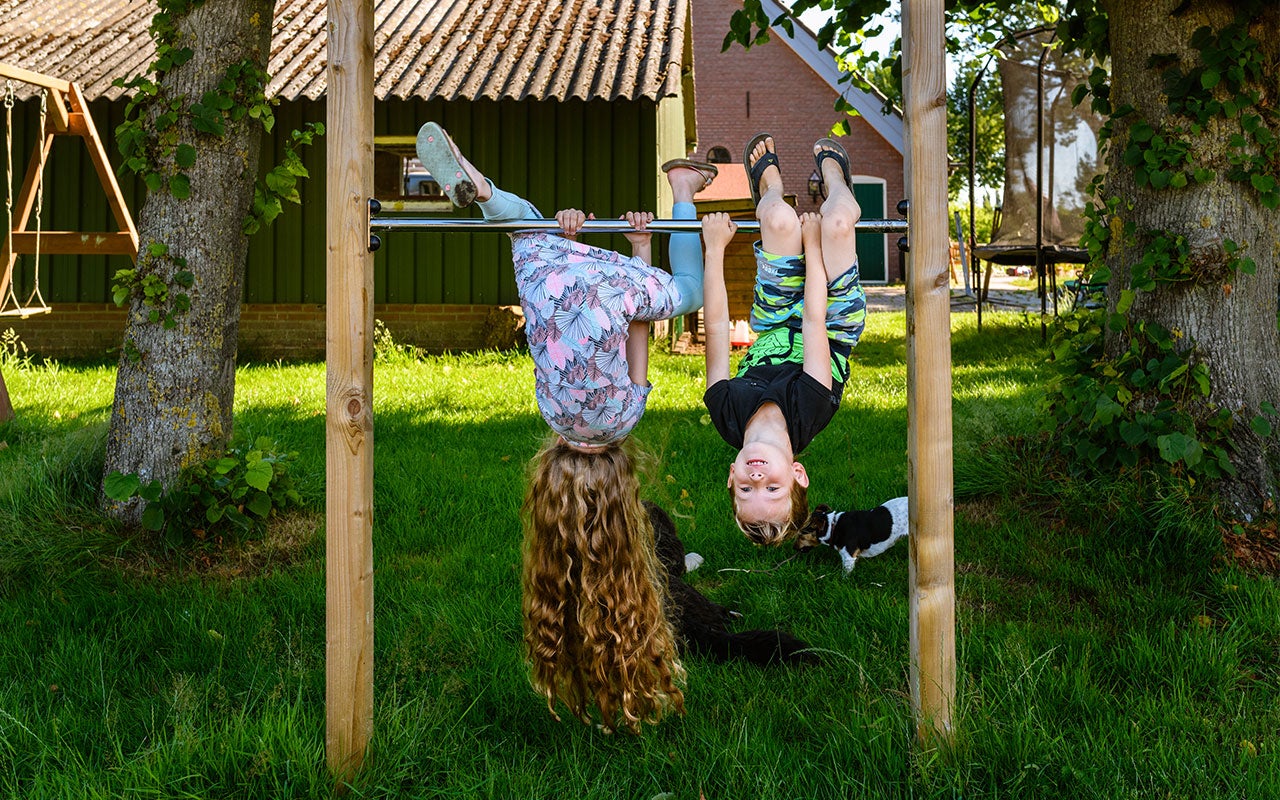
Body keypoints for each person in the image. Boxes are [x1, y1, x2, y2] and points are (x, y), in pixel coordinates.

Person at [415, 122, 715, 731]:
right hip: (551, 290)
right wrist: (564, 236)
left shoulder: (626, 418)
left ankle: (683, 188)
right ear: (548, 465)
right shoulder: (553, 415)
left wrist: (638, 248)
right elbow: (553, 347)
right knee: (525, 221)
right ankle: (485, 191)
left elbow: (639, 330)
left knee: (689, 290)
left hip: (608, 297)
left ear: (625, 484)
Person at [700, 133, 867, 546]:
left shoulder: (726, 413)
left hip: (775, 324)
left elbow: (718, 328)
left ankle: (769, 186)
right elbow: (814, 322)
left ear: (731, 477)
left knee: (778, 220)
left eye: (745, 489)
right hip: (831, 326)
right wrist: (813, 248)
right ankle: (837, 182)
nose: (757, 478)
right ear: (797, 474)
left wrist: (715, 248)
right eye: (772, 489)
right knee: (838, 225)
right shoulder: (810, 411)